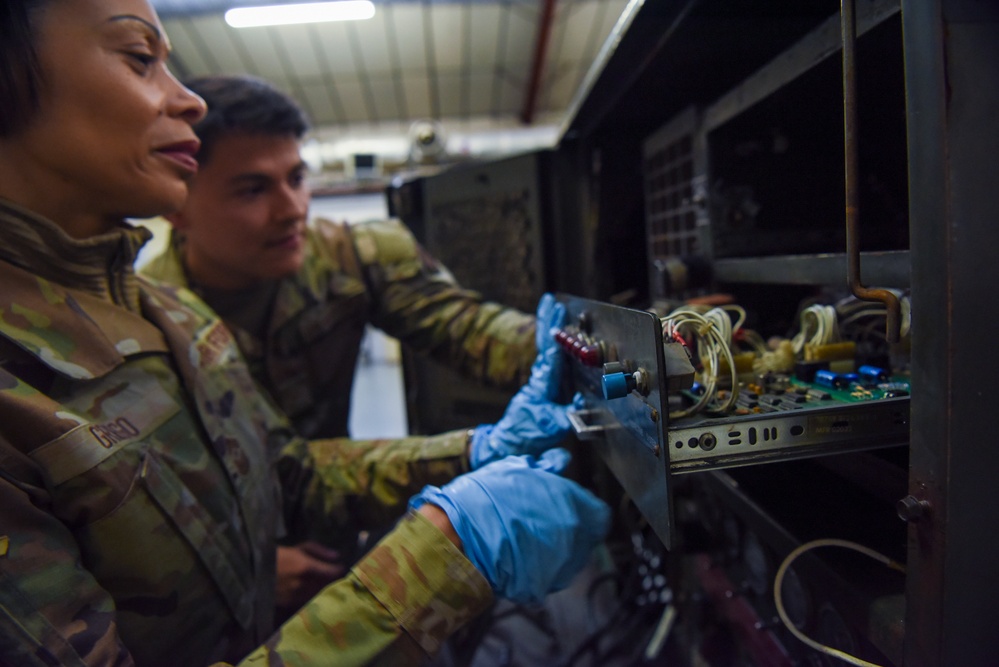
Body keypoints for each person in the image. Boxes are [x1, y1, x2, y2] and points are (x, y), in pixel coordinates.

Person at [0, 1, 610, 666]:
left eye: (296, 178)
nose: (188, 101)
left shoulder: (168, 316)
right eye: (140, 57)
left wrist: (480, 450)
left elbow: (286, 474)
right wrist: (443, 556)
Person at [137, 74, 544, 614]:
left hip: (343, 520)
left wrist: (594, 348)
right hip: (224, 584)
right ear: (177, 204)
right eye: (254, 189)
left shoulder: (351, 257)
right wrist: (247, 567)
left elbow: (470, 330)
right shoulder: (146, 331)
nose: (293, 208)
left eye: (297, 177)